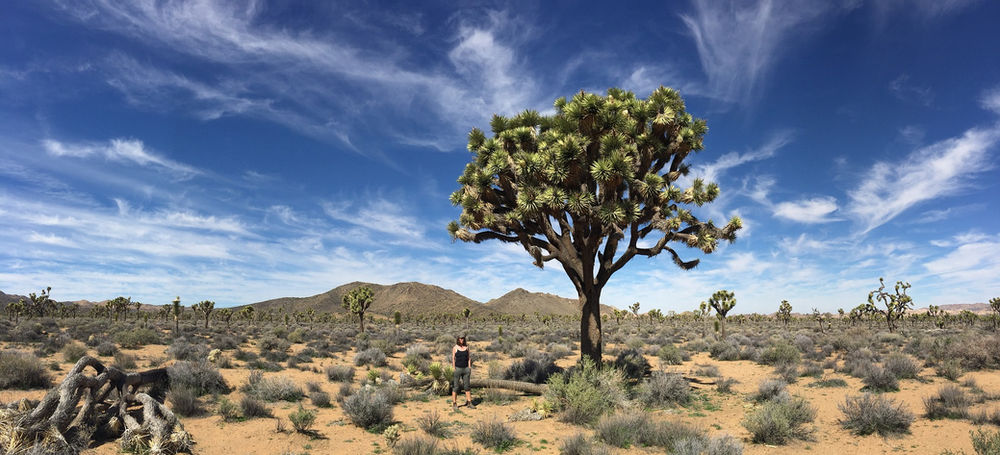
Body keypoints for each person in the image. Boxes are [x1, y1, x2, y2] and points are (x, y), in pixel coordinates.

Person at [452, 335, 475, 410]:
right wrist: (454, 368)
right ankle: (454, 403)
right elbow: (453, 358)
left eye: (462, 339)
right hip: (458, 369)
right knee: (456, 386)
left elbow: (469, 358)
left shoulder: (467, 347)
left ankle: (469, 402)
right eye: (460, 339)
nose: (461, 340)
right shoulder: (455, 348)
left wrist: (469, 367)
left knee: (467, 386)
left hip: (466, 369)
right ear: (458, 339)